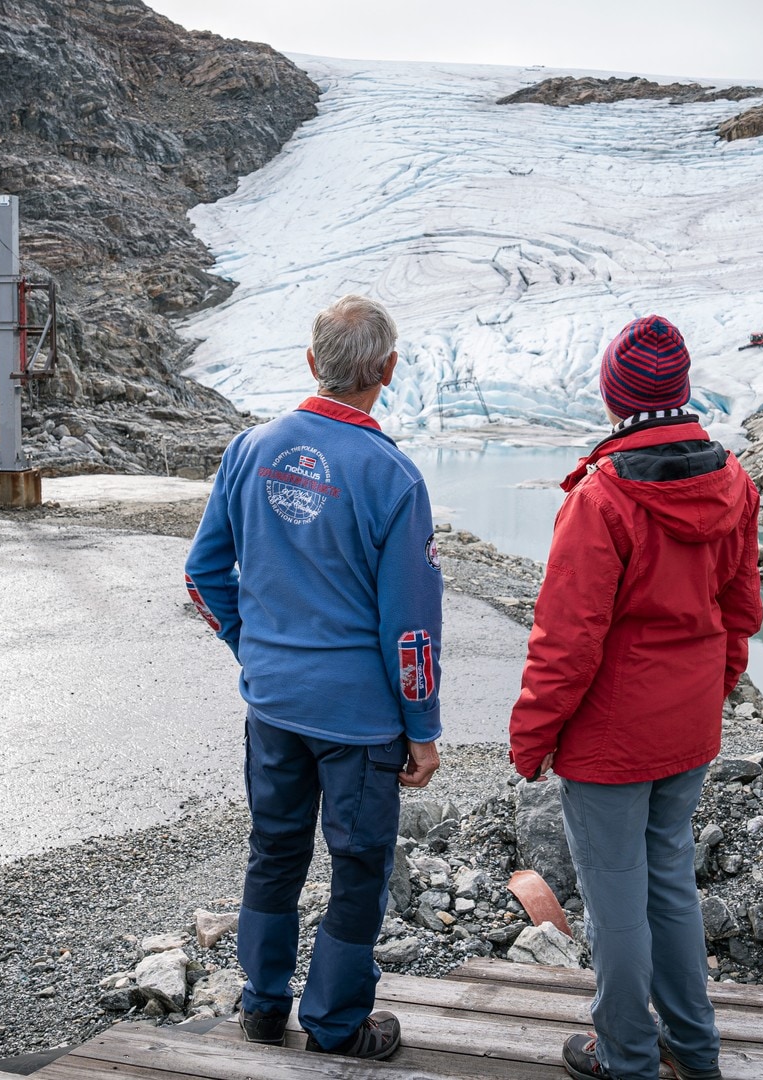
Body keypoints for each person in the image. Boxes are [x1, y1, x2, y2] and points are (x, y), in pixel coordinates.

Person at [185, 294, 444, 1061]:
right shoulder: (393, 477)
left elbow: (204, 573)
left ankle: (263, 1007)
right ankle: (334, 1024)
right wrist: (422, 728)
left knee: (275, 849)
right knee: (358, 866)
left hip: (273, 705)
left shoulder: (250, 449)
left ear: (311, 363)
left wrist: (254, 645)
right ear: (388, 371)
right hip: (360, 723)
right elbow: (412, 631)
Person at [508, 314, 763, 1080]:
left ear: (615, 395)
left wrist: (531, 736)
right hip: (686, 727)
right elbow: (740, 613)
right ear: (681, 389)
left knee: (615, 902)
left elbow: (567, 637)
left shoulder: (602, 497)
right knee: (671, 886)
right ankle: (694, 1049)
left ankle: (624, 1056)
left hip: (611, 739)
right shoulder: (734, 481)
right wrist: (707, 695)